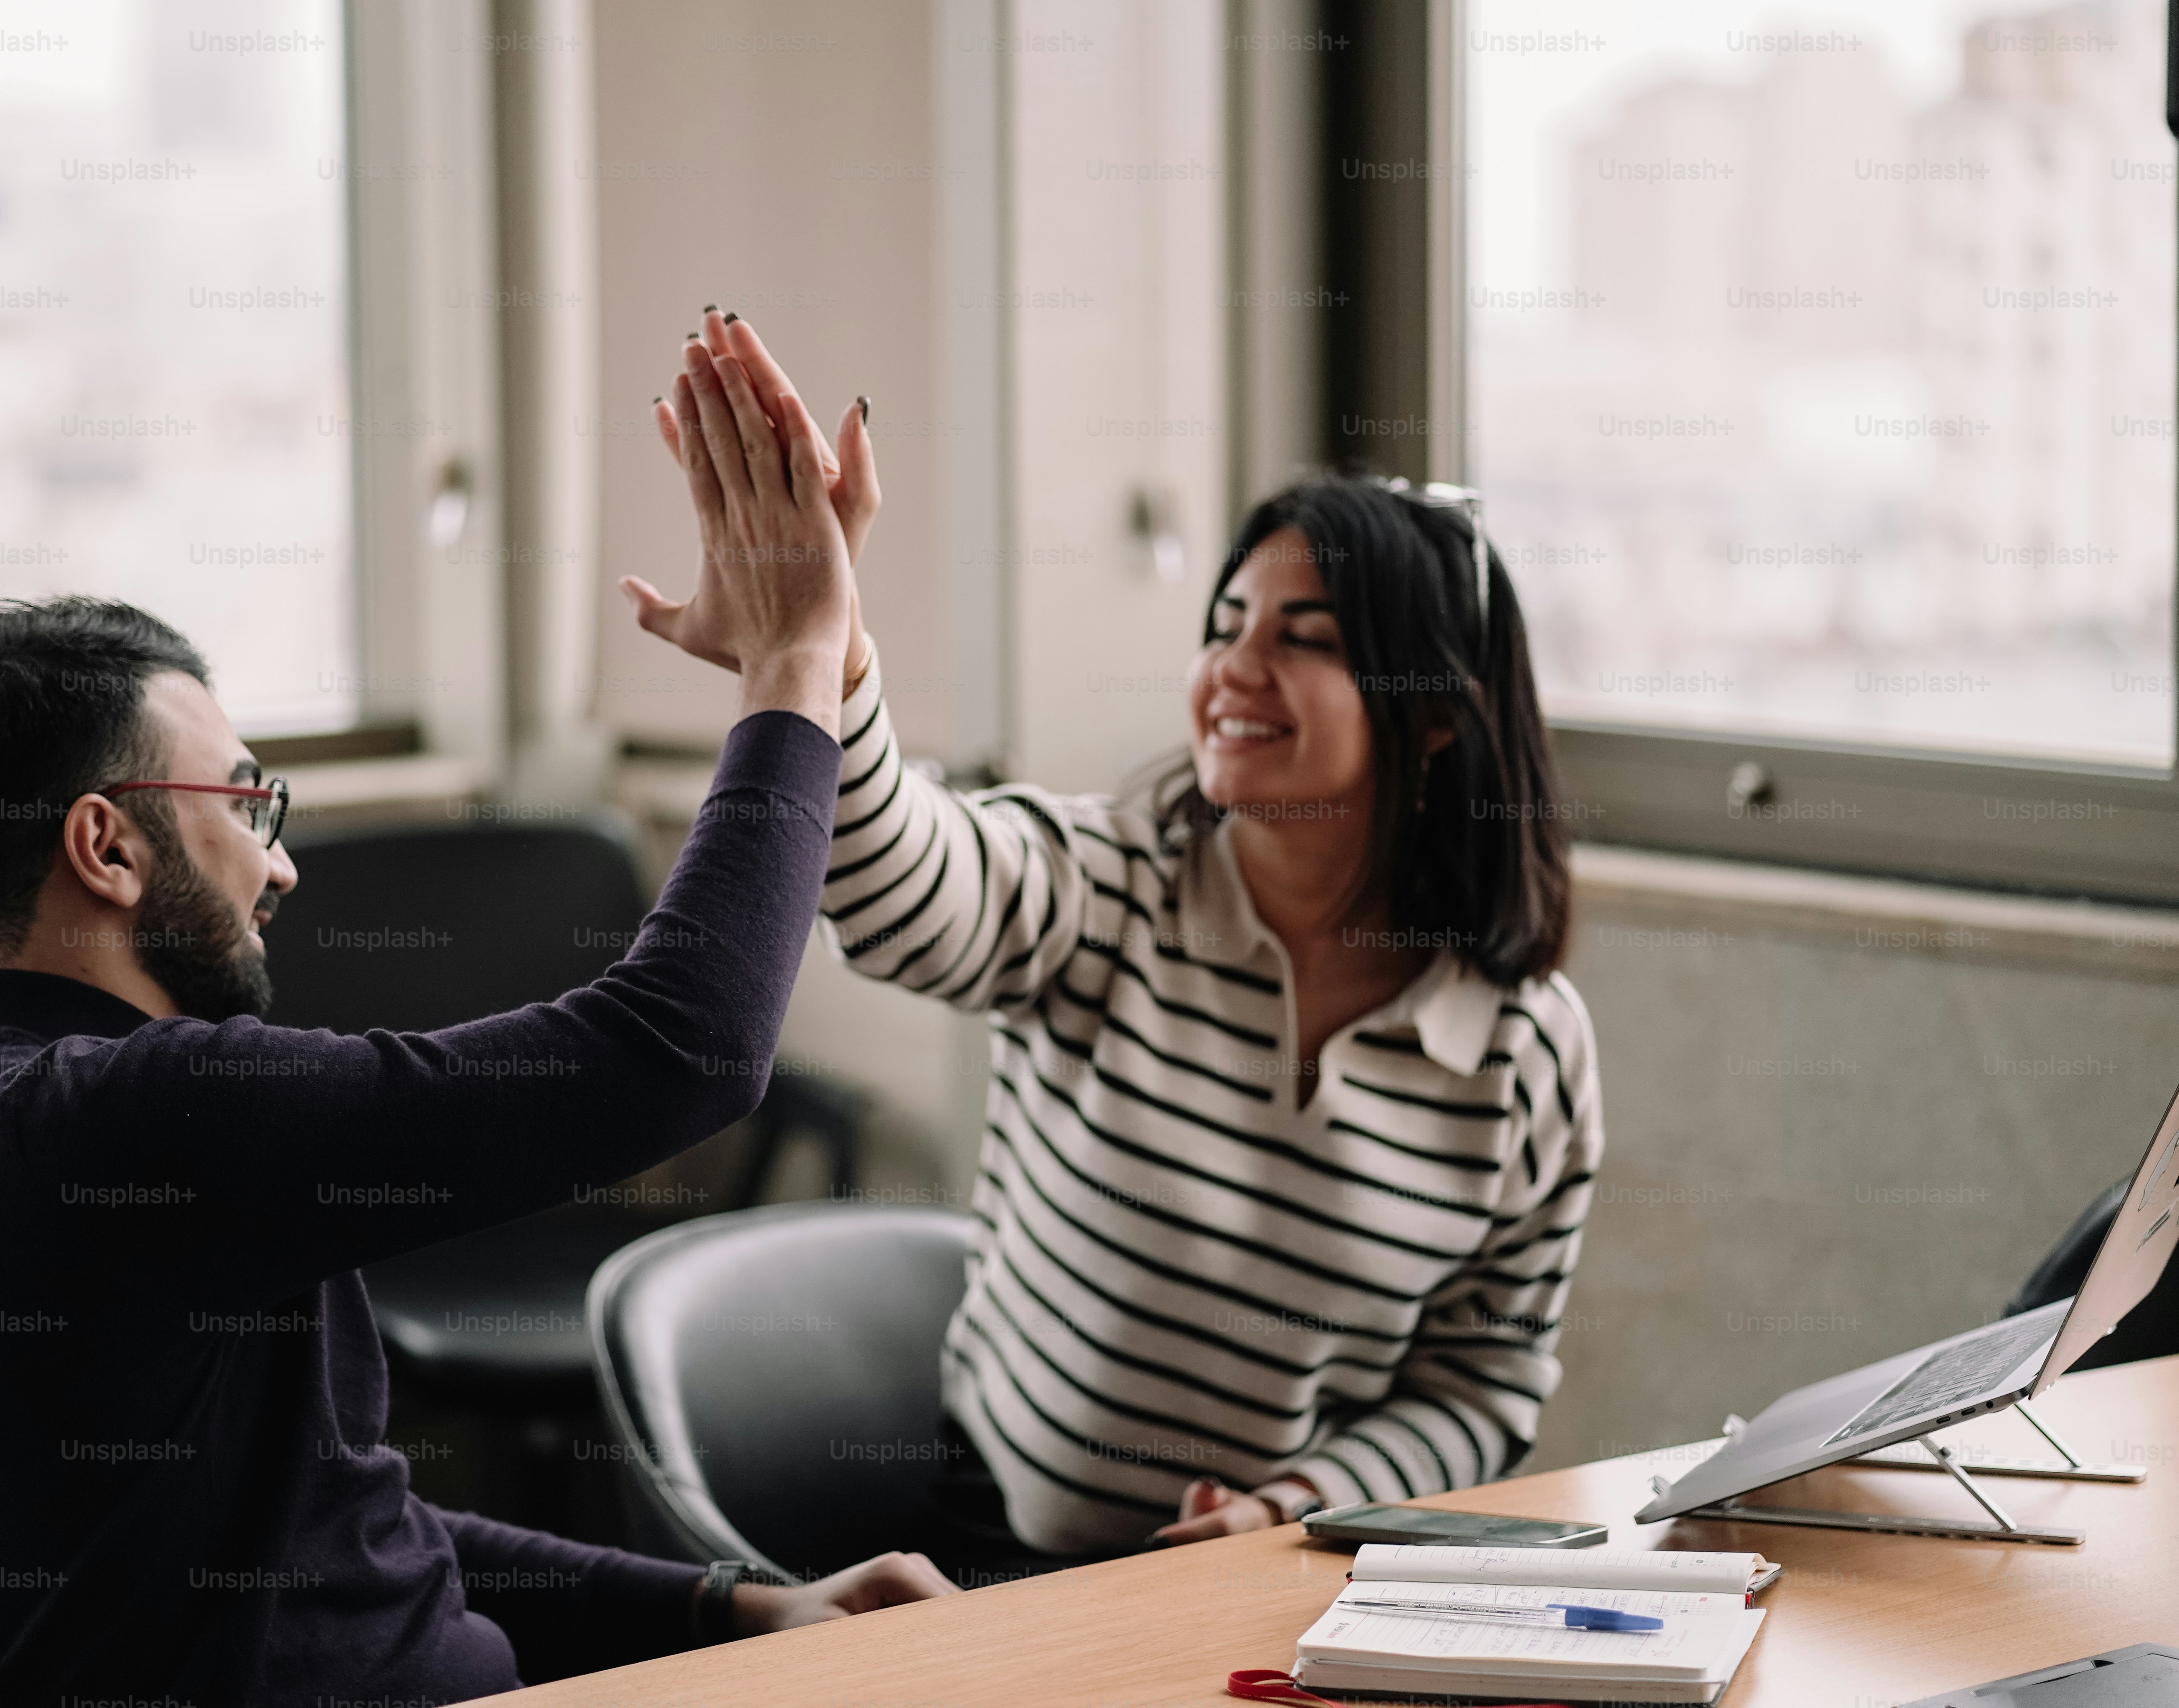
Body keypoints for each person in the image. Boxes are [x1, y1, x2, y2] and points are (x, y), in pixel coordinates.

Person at [0, 334, 952, 1708]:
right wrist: (793, 666)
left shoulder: (9, 1123)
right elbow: (685, 1050)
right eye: (249, 807)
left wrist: (742, 1608)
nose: (282, 865)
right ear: (107, 849)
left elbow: (346, 1529)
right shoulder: (113, 1120)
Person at [627, 310, 1605, 1567]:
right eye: (1225, 626)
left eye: (1304, 641)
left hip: (1284, 1579)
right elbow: (897, 883)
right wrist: (826, 659)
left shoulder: (1528, 1056)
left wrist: (1302, 1499)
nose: (1234, 670)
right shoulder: (1111, 881)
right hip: (1004, 1560)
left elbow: (1486, 1383)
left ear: (1435, 724)